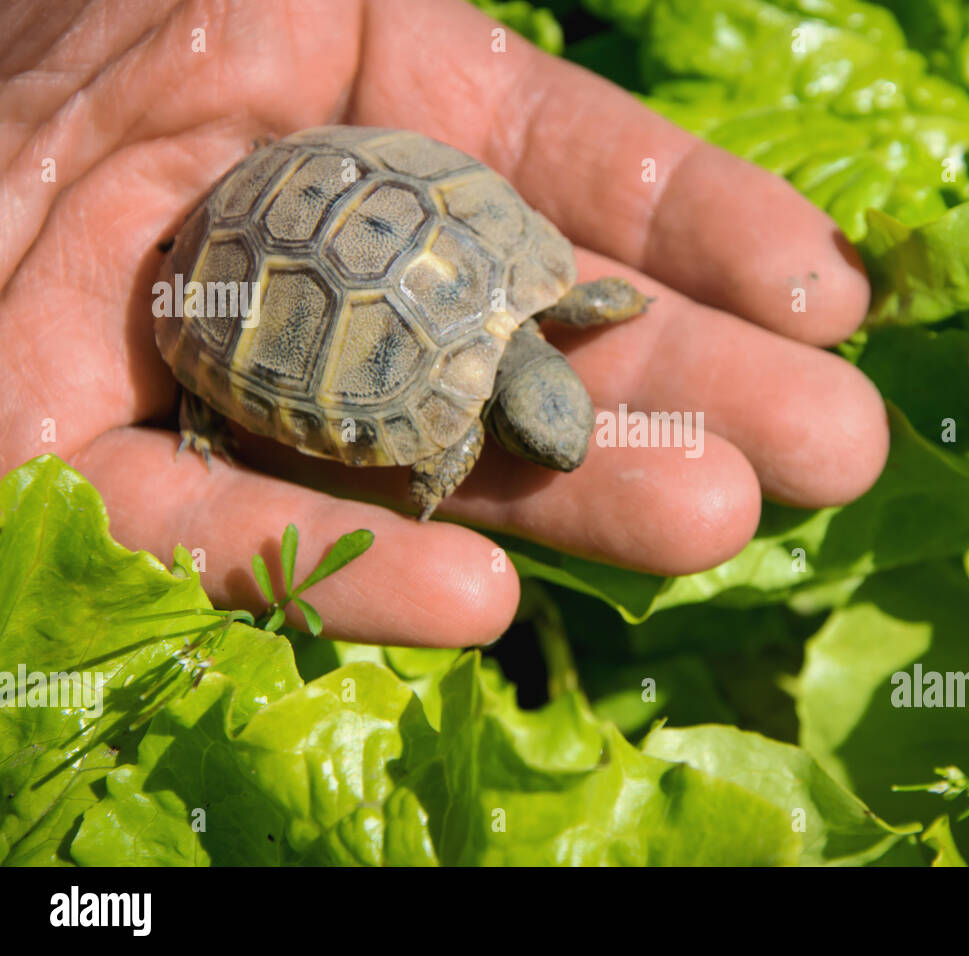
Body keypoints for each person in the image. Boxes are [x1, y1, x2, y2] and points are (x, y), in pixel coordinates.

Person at [0, 0, 887, 647]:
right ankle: (205, 400)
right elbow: (456, 439)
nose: (550, 459)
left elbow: (570, 307)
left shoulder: (545, 294)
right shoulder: (491, 390)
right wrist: (434, 485)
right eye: (535, 443)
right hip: (249, 254)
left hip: (328, 169)